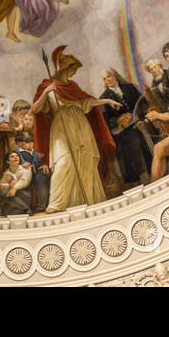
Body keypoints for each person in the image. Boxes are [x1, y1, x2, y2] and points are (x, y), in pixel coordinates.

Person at [31, 47, 118, 213]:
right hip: (61, 128)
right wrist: (46, 93)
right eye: (72, 69)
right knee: (64, 162)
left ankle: (89, 200)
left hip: (80, 127)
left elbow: (85, 103)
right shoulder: (47, 85)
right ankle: (56, 203)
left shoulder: (72, 87)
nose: (73, 73)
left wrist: (105, 100)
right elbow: (35, 109)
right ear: (64, 68)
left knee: (85, 161)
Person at [98, 68, 154, 186]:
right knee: (132, 144)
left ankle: (156, 171)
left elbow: (143, 103)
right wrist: (119, 119)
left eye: (109, 76)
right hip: (124, 132)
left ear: (115, 75)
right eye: (104, 79)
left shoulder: (130, 87)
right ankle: (143, 176)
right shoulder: (104, 98)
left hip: (140, 122)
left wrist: (136, 113)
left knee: (149, 141)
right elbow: (106, 120)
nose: (107, 80)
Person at [14, 131, 48, 212]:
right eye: (21, 145)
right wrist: (22, 163)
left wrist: (43, 164)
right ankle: (27, 208)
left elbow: (40, 161)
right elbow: (18, 160)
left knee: (42, 177)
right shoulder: (18, 152)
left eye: (25, 144)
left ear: (30, 142)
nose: (23, 146)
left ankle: (42, 205)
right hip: (25, 173)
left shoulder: (35, 151)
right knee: (25, 185)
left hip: (36, 172)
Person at [0, 150, 34, 216]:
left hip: (24, 194)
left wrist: (14, 188)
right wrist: (9, 185)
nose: (16, 157)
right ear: (8, 161)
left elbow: (24, 181)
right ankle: (24, 208)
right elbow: (1, 184)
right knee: (5, 211)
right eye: (12, 156)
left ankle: (26, 208)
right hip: (13, 198)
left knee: (3, 193)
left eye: (17, 156)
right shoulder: (7, 172)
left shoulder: (25, 168)